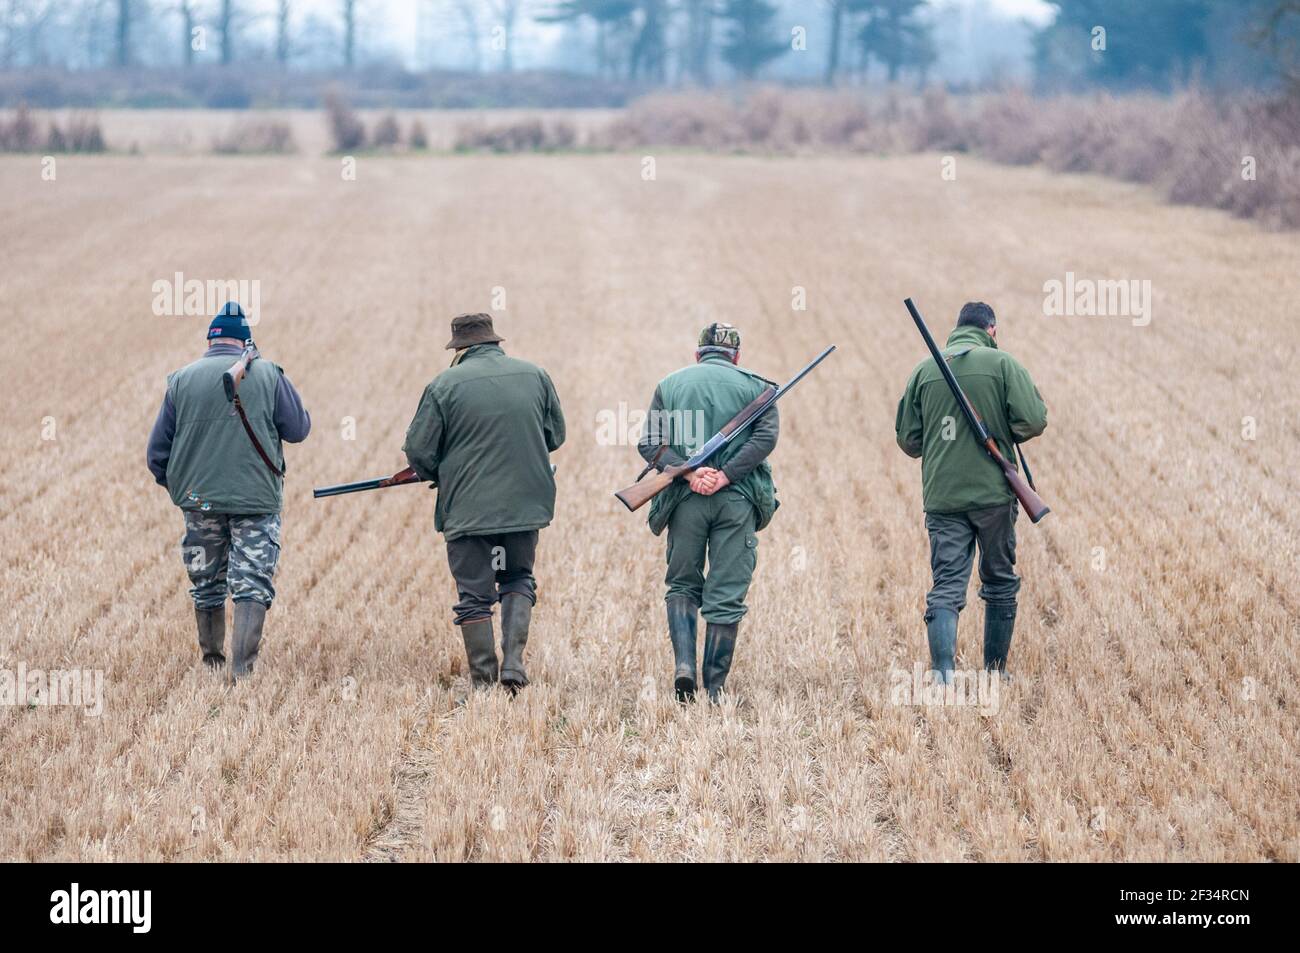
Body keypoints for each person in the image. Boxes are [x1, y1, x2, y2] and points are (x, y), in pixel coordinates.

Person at [146, 302, 311, 678]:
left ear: (210, 341)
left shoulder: (181, 380)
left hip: (200, 501)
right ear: (246, 343)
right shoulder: (267, 373)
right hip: (255, 499)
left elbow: (157, 454)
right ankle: (241, 671)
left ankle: (211, 660)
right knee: (251, 580)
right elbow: (299, 429)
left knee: (206, 580)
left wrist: (184, 490)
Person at [402, 313, 565, 693]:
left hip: (468, 510)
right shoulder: (535, 375)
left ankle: (485, 681)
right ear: (495, 342)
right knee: (517, 578)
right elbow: (554, 435)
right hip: (524, 506)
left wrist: (441, 473)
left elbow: (418, 451)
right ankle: (513, 664)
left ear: (459, 349)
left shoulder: (443, 385)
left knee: (474, 597)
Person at [895, 301, 1047, 683]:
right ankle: (995, 673)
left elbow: (909, 440)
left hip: (943, 498)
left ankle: (943, 673)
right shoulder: (1004, 365)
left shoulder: (925, 370)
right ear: (991, 330)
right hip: (995, 494)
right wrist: (1000, 432)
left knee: (946, 584)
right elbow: (1033, 420)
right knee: (998, 579)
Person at [636, 323, 779, 703]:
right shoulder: (757, 388)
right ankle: (714, 689)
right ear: (736, 356)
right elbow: (766, 438)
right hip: (737, 500)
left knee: (682, 583)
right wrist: (726, 476)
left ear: (698, 354)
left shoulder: (670, 384)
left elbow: (649, 443)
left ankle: (684, 667)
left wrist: (690, 472)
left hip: (685, 500)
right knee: (727, 590)